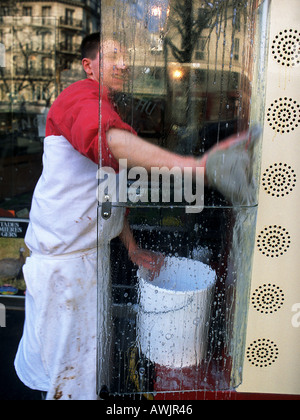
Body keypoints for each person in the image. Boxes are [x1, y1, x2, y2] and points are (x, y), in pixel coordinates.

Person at [14, 33, 256, 400]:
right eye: (113, 56)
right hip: (64, 272)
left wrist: (130, 247)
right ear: (89, 66)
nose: (124, 64)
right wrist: (198, 168)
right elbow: (105, 139)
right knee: (69, 379)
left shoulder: (107, 106)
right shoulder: (78, 97)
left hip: (86, 262)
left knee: (83, 370)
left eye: (126, 56)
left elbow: (105, 194)